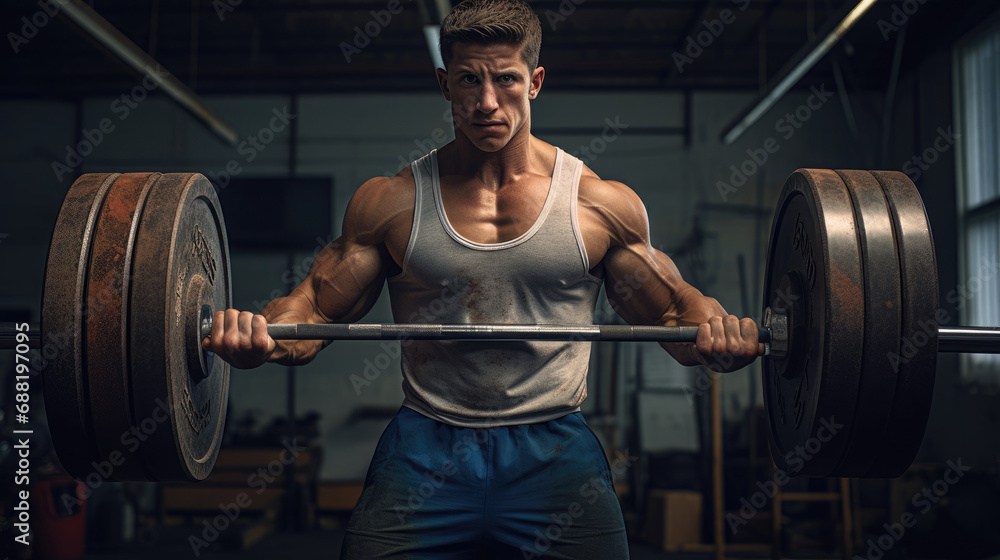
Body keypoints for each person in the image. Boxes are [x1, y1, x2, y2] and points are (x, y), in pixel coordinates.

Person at [203, 0, 763, 557]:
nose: (487, 102)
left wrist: (718, 332)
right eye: (469, 80)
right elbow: (314, 311)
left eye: (506, 79)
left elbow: (673, 311)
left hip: (554, 448)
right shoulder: (391, 204)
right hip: (426, 446)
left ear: (536, 81)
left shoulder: (597, 205)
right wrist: (258, 336)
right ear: (444, 84)